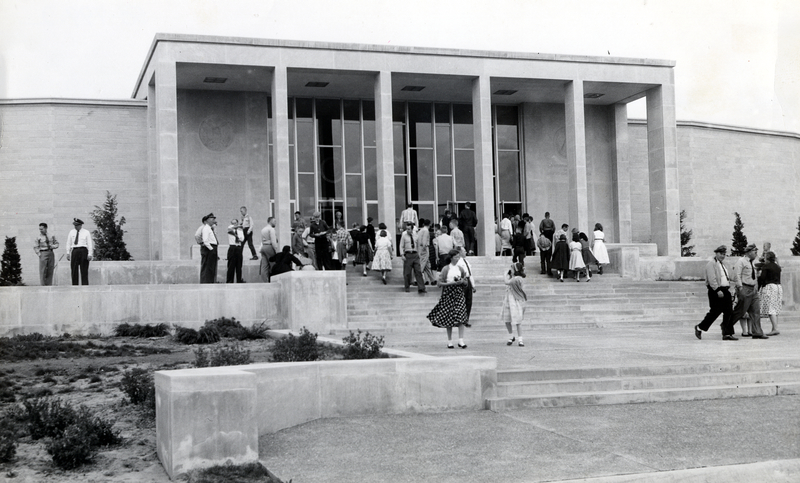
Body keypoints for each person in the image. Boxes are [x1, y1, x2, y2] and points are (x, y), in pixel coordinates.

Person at [427, 249, 469, 349]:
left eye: (458, 257)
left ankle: (461, 340)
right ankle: (449, 341)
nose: (458, 259)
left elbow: (466, 282)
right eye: (456, 257)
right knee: (449, 317)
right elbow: (439, 283)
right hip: (448, 293)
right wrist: (451, 283)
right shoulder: (446, 269)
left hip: (459, 293)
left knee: (461, 316)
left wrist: (462, 282)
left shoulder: (460, 268)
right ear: (451, 258)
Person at [694, 246, 737, 340]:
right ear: (716, 253)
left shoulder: (724, 264)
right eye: (721, 254)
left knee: (729, 312)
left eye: (724, 254)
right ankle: (699, 327)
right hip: (716, 291)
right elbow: (712, 279)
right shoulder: (711, 264)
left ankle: (727, 333)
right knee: (715, 311)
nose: (723, 256)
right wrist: (717, 290)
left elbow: (730, 276)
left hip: (725, 290)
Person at [730, 244, 768, 339]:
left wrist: (756, 286)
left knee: (756, 311)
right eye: (755, 252)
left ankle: (757, 332)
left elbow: (754, 276)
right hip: (744, 288)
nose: (756, 253)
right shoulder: (741, 261)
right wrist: (740, 287)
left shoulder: (753, 262)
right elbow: (737, 275)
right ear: (749, 252)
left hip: (753, 289)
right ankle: (726, 327)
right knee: (740, 311)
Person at [502, 262, 527, 347]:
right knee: (507, 320)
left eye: (512, 268)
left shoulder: (517, 279)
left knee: (518, 321)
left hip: (516, 301)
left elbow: (506, 282)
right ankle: (511, 336)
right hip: (508, 300)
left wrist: (505, 274)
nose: (510, 270)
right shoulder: (514, 278)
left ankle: (520, 339)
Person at [758, 251, 782, 336]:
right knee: (775, 307)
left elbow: (762, 278)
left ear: (767, 258)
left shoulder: (766, 266)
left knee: (770, 308)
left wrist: (758, 285)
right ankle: (774, 327)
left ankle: (775, 329)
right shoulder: (777, 267)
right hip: (778, 287)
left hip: (770, 287)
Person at [399, 223, 426, 294]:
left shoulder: (416, 236)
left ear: (412, 229)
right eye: (406, 229)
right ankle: (407, 287)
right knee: (407, 273)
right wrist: (402, 255)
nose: (407, 230)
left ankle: (421, 288)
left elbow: (419, 245)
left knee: (418, 271)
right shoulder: (404, 236)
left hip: (415, 254)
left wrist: (419, 254)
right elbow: (401, 246)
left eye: (409, 229)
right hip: (408, 254)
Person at [66, 218, 94, 286]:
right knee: (74, 269)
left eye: (77, 225)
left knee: (84, 270)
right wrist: (68, 253)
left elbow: (89, 243)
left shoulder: (86, 232)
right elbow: (68, 243)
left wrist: (90, 254)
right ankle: (75, 285)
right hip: (75, 250)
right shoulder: (71, 232)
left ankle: (85, 286)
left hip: (83, 250)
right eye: (75, 225)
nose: (76, 227)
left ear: (81, 225)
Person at [455, 247, 476, 326]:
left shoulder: (466, 261)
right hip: (462, 281)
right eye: (464, 251)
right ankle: (460, 319)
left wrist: (473, 285)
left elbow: (470, 274)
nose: (466, 252)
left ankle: (466, 319)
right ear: (460, 252)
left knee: (469, 300)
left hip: (468, 280)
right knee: (462, 301)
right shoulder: (458, 262)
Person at [198, 213, 218, 284]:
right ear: (207, 220)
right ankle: (206, 282)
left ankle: (210, 281)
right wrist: (211, 249)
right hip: (209, 248)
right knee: (207, 267)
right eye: (212, 219)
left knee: (211, 266)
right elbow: (205, 240)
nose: (214, 220)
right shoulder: (206, 228)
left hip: (211, 248)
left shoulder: (210, 228)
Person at [226, 219, 245, 283]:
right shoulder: (230, 229)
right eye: (232, 223)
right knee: (231, 265)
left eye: (235, 223)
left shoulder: (240, 231)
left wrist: (238, 237)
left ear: (237, 223)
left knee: (239, 265)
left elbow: (242, 239)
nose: (234, 224)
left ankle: (239, 280)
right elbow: (230, 228)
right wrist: (238, 226)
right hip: (232, 247)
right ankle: (229, 280)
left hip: (238, 248)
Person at [260, 217, 278, 282]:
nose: (275, 222)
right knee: (273, 264)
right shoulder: (271, 229)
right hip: (269, 247)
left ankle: (265, 281)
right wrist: (276, 249)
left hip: (263, 247)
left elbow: (262, 240)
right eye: (274, 221)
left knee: (264, 266)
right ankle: (274, 280)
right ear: (270, 221)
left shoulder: (263, 229)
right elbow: (273, 241)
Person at [417, 219, 435, 285]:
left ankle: (432, 279)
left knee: (427, 265)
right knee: (422, 265)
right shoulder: (426, 231)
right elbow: (424, 241)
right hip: (424, 248)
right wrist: (424, 249)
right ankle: (417, 279)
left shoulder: (420, 230)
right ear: (429, 224)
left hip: (420, 248)